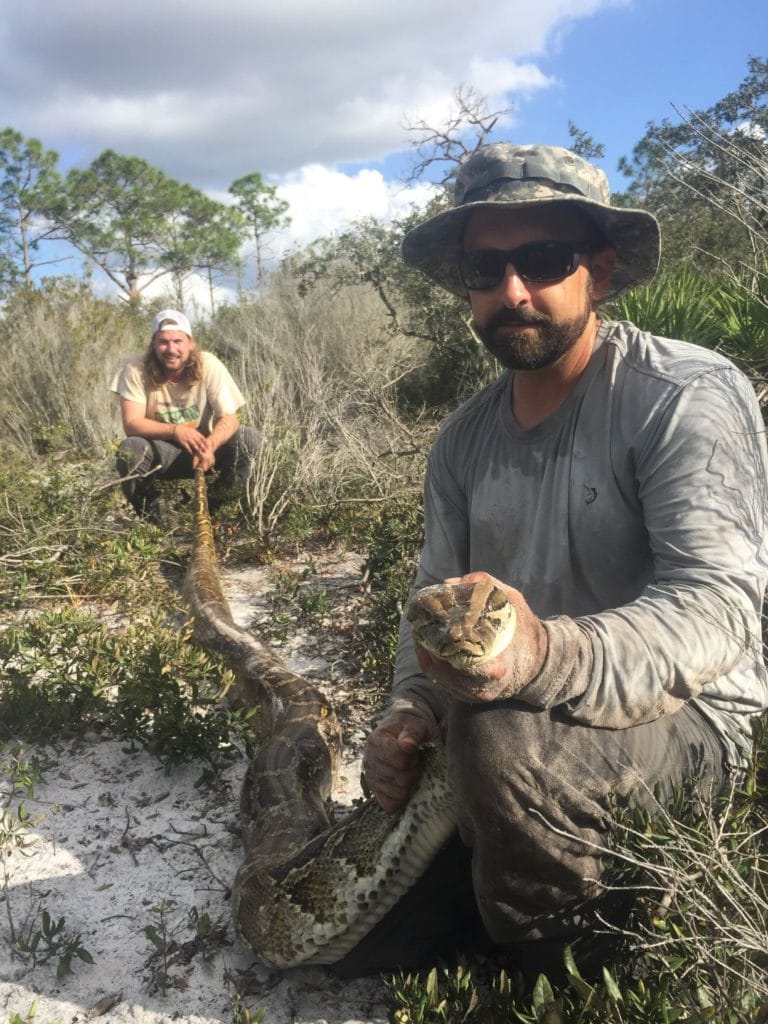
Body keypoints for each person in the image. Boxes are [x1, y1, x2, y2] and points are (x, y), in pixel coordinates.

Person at [349, 144, 768, 978]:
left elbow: (719, 608)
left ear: (599, 272)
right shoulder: (461, 442)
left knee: (500, 737)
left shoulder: (682, 395)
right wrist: (410, 712)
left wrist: (545, 656)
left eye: (543, 260)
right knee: (358, 945)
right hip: (511, 719)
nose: (512, 290)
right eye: (485, 268)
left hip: (687, 721)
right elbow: (431, 599)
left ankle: (567, 976)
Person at [111, 309, 259, 522]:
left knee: (249, 438)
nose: (171, 349)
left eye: (178, 341)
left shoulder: (208, 363)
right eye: (163, 342)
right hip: (162, 453)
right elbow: (132, 423)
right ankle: (155, 520)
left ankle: (216, 510)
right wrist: (175, 431)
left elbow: (230, 417)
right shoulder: (136, 367)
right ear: (153, 344)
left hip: (204, 450)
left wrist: (210, 445)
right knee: (130, 448)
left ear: (190, 343)